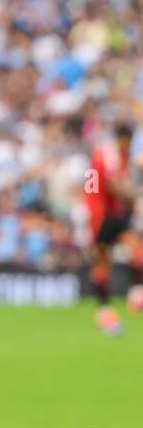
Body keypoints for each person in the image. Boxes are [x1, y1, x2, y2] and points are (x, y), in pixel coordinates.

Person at [85, 123, 138, 335]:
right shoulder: (107, 154)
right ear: (122, 139)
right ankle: (104, 311)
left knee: (134, 248)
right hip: (100, 217)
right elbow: (111, 186)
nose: (129, 145)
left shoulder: (118, 155)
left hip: (112, 214)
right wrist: (136, 197)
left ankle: (131, 298)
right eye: (128, 141)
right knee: (102, 263)